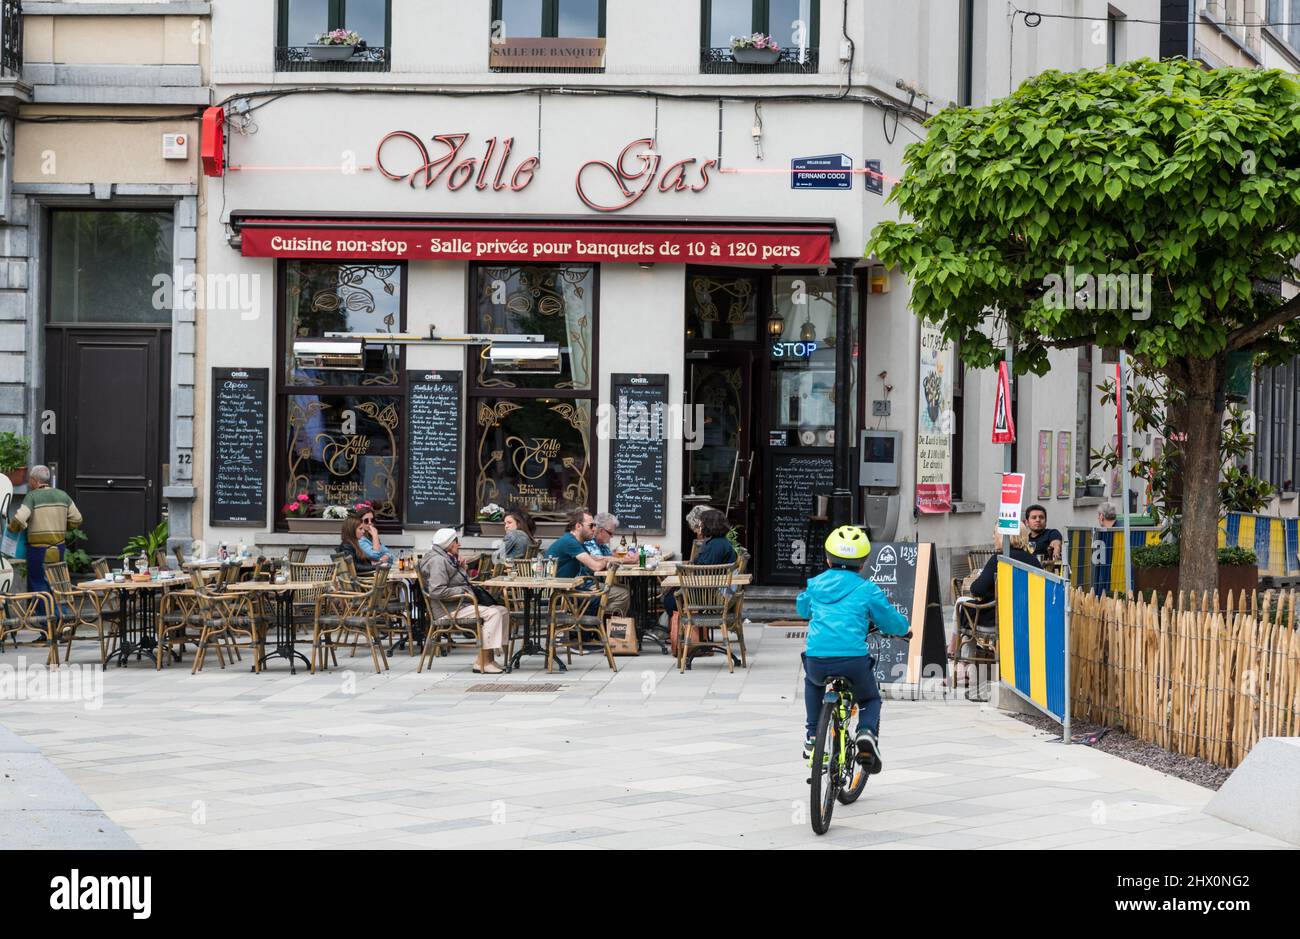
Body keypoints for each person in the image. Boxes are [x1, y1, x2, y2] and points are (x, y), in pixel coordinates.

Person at [799, 525, 910, 772]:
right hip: (853, 661)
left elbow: (802, 609)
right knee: (870, 699)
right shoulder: (866, 588)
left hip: (818, 659)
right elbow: (890, 620)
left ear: (827, 559)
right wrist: (905, 630)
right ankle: (866, 733)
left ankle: (812, 737)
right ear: (862, 563)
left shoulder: (815, 585)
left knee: (813, 682)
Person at [419, 528, 510, 674]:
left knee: (502, 611)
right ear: (449, 544)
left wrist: (462, 568)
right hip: (448, 610)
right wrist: (463, 591)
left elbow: (459, 582)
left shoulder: (447, 558)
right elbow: (437, 591)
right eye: (456, 542)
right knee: (493, 614)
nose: (459, 544)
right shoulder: (438, 561)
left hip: (459, 605)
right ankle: (482, 662)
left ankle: (488, 659)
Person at [7, 465, 82, 596]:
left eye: (29, 479)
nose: (28, 482)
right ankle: (61, 614)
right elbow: (77, 518)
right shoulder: (62, 495)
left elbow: (19, 519)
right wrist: (64, 527)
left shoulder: (32, 497)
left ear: (35, 480)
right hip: (58, 549)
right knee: (58, 585)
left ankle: (44, 615)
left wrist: (12, 529)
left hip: (38, 550)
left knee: (38, 586)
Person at [660, 509, 736, 626]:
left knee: (670, 600)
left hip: (713, 594)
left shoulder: (715, 545)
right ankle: (683, 632)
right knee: (672, 592)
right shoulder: (720, 542)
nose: (700, 525)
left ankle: (685, 632)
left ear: (710, 524)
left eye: (702, 522)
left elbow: (703, 571)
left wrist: (683, 575)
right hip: (716, 590)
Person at [545, 509, 625, 615]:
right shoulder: (570, 542)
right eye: (591, 526)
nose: (594, 529)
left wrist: (614, 559)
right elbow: (595, 566)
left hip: (570, 589)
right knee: (623, 594)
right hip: (561, 594)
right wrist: (606, 562)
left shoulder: (577, 541)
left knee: (620, 591)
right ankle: (601, 623)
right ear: (578, 526)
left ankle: (597, 623)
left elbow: (594, 558)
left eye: (595, 525)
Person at [584, 512, 630, 614]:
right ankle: (603, 618)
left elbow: (610, 557)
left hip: (596, 583)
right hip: (587, 585)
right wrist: (627, 560)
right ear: (601, 531)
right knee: (624, 593)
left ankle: (608, 619)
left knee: (625, 589)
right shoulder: (589, 541)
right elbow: (600, 559)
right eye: (610, 533)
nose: (612, 536)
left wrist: (625, 556)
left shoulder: (601, 544)